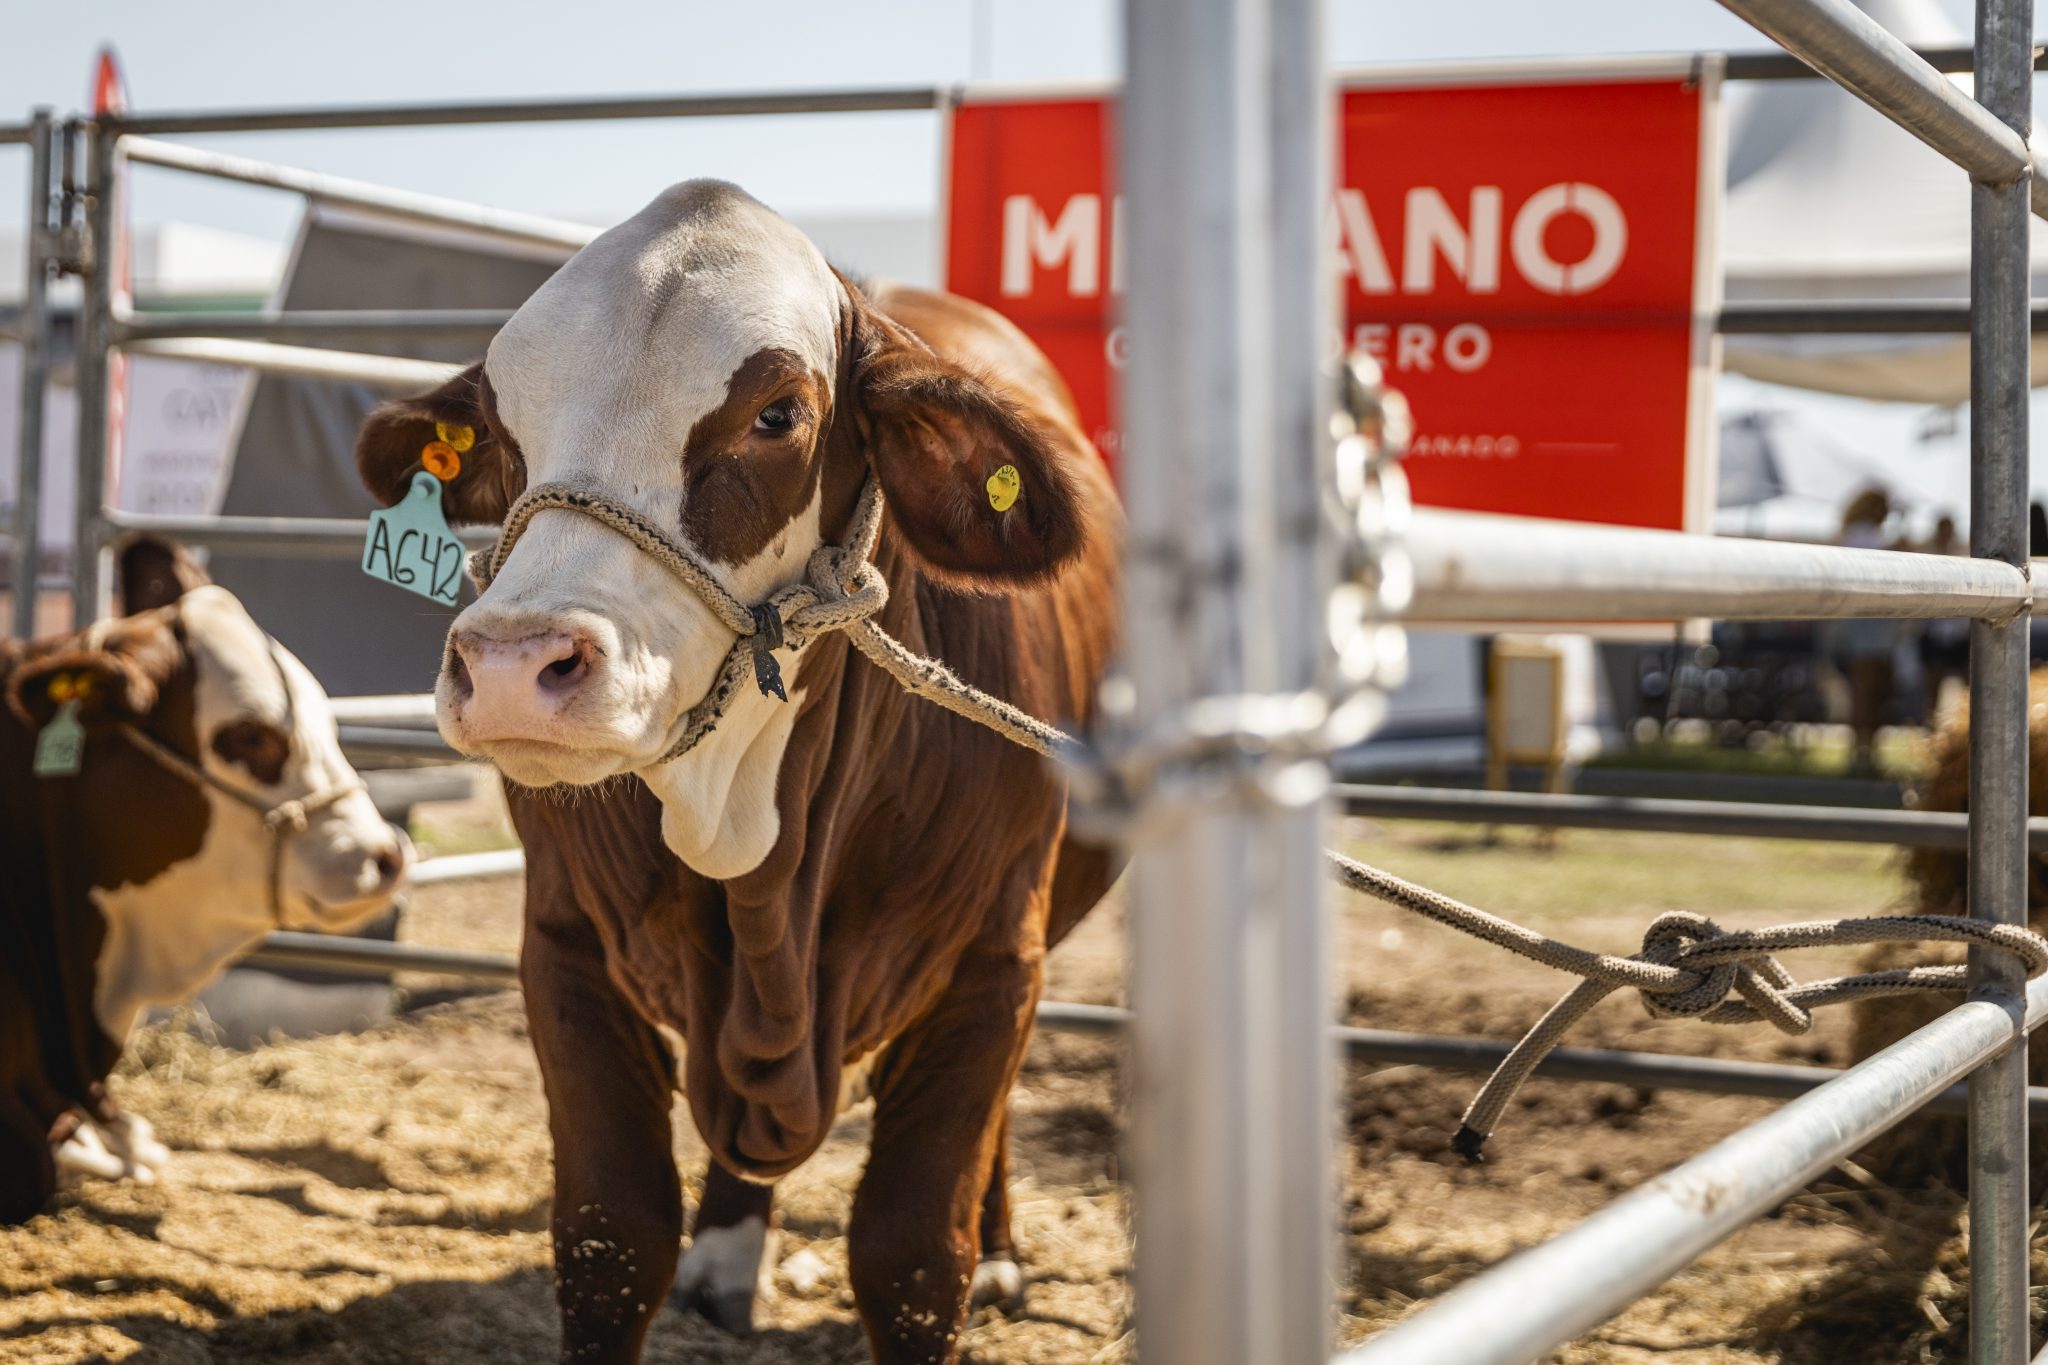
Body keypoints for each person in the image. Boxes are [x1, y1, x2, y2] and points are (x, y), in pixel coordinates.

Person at [1831, 488, 1898, 774]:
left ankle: (1865, 750)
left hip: (1872, 624)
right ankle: (1861, 751)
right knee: (1865, 689)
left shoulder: (1858, 533)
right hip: (1867, 624)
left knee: (1872, 690)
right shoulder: (1861, 533)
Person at [1917, 513, 1970, 721]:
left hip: (1957, 634)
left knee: (1967, 687)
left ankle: (1962, 730)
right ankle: (1932, 729)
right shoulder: (1926, 556)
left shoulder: (1962, 556)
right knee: (1932, 688)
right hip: (1934, 633)